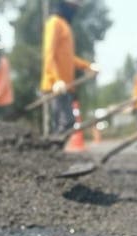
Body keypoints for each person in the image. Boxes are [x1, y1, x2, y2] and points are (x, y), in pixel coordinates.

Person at [41, 0, 99, 136]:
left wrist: (88, 66)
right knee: (65, 122)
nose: (74, 10)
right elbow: (49, 53)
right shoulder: (54, 23)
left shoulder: (65, 26)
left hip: (65, 85)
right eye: (73, 7)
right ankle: (52, 152)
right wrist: (55, 80)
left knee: (67, 123)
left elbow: (68, 58)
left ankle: (55, 153)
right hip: (56, 85)